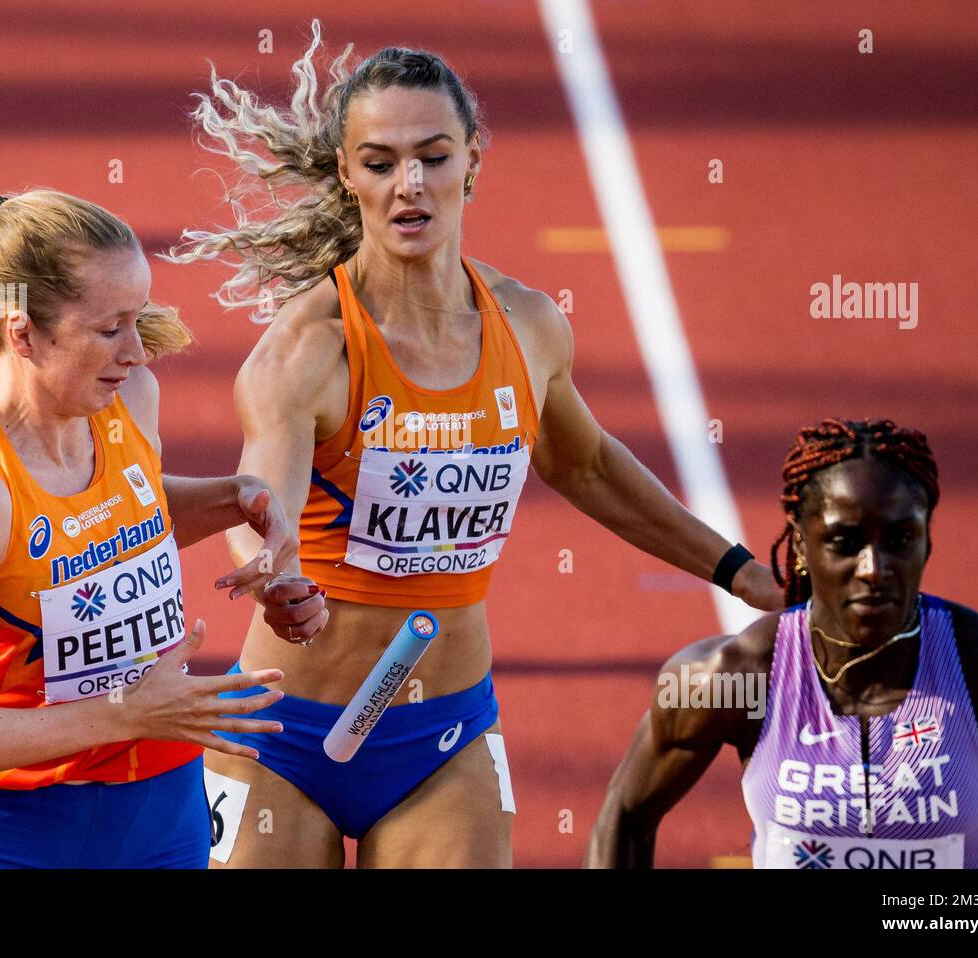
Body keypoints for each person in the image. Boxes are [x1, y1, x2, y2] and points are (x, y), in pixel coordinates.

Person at [166, 23, 783, 868]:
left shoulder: (527, 326)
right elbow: (260, 493)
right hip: (282, 733)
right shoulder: (310, 348)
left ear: (473, 162)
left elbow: (586, 463)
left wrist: (737, 569)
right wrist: (277, 574)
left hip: (441, 736)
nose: (409, 184)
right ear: (347, 175)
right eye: (380, 163)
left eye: (434, 156)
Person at [0, 188, 303, 868]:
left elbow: (115, 520)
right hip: (6, 839)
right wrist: (127, 713)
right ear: (22, 333)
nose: (137, 352)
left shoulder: (128, 400)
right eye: (111, 329)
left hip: (163, 819)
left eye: (139, 321)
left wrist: (237, 497)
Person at [585, 418, 978, 869]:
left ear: (927, 542)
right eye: (844, 541)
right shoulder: (733, 677)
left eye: (900, 539)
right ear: (800, 547)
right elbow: (627, 812)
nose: (873, 568)